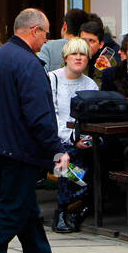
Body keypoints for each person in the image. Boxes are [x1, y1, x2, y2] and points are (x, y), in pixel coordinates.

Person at [0, 8, 78, 253]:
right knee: (12, 211)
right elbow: (39, 116)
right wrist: (57, 150)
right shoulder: (29, 65)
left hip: (1, 146)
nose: (46, 39)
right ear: (33, 30)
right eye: (45, 33)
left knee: (27, 210)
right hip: (20, 149)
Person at [47, 38, 97, 233]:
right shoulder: (53, 79)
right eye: (74, 53)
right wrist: (72, 140)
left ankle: (75, 211)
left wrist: (85, 140)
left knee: (88, 173)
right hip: (55, 144)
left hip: (82, 145)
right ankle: (64, 211)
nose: (78, 58)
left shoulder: (91, 85)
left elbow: (93, 120)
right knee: (65, 163)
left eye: (83, 54)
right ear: (65, 57)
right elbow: (52, 116)